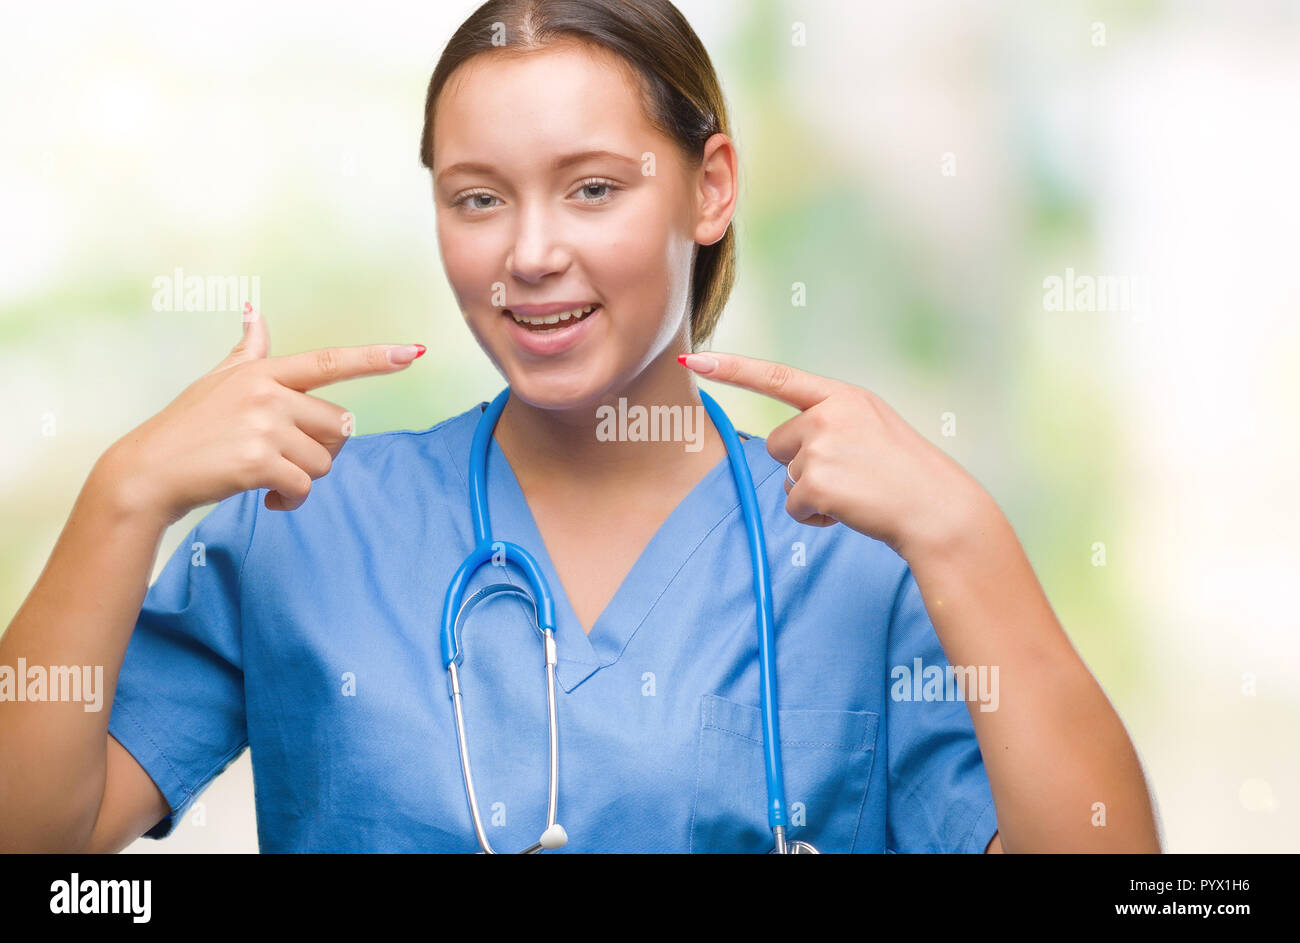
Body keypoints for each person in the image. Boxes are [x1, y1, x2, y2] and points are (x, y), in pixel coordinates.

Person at [0, 0, 1161, 853]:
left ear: (710, 188)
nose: (530, 252)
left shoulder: (863, 554)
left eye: (593, 188)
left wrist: (963, 530)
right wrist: (126, 492)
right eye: (477, 197)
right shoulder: (302, 527)